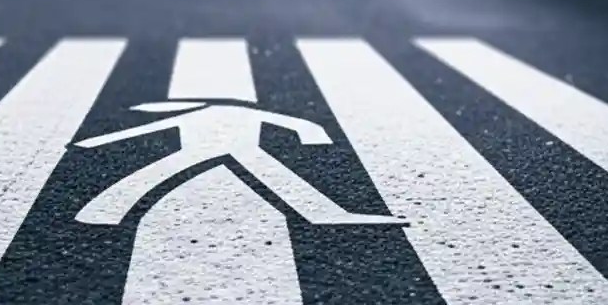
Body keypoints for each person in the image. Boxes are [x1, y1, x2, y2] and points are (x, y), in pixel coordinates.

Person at [73, 100, 404, 226]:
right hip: (224, 150)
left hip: (240, 151)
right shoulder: (219, 112)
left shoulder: (216, 113)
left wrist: (98, 141)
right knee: (155, 174)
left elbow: (150, 127)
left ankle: (327, 214)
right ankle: (103, 211)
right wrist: (311, 135)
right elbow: (299, 124)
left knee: (154, 175)